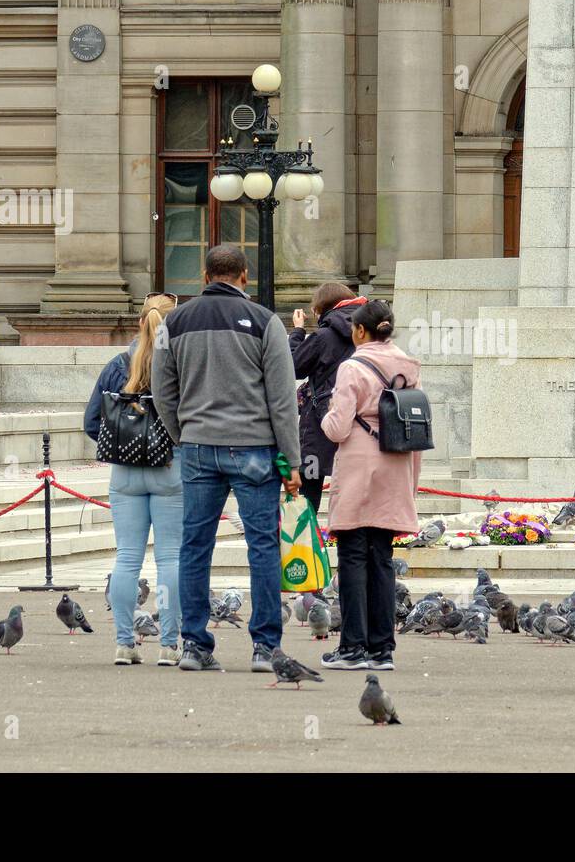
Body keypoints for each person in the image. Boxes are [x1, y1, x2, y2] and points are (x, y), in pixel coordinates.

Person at [151, 245, 302, 674]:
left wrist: (184, 433)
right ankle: (264, 647)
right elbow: (282, 398)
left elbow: (162, 391)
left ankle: (195, 646)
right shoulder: (265, 321)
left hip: (198, 446)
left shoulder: (173, 322)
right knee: (263, 548)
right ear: (244, 276)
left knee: (195, 547)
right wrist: (291, 460)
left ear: (204, 274)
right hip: (254, 447)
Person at [319, 299, 422, 671]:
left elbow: (338, 427)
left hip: (360, 468)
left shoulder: (353, 366)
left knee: (351, 557)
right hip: (396, 467)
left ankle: (352, 647)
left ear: (360, 331)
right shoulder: (409, 365)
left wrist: (325, 414)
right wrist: (411, 483)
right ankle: (382, 649)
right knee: (382, 559)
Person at [84, 293, 183, 666]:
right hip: (171, 468)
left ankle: (124, 643)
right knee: (170, 558)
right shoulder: (179, 363)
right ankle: (170, 645)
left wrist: (126, 445)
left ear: (139, 322)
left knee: (127, 558)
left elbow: (91, 422)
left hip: (125, 473)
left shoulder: (117, 364)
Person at [289, 282, 366, 515]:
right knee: (355, 484)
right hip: (360, 418)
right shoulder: (368, 333)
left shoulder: (323, 336)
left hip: (321, 420)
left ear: (321, 309)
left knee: (309, 484)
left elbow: (293, 367)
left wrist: (297, 332)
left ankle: (306, 539)